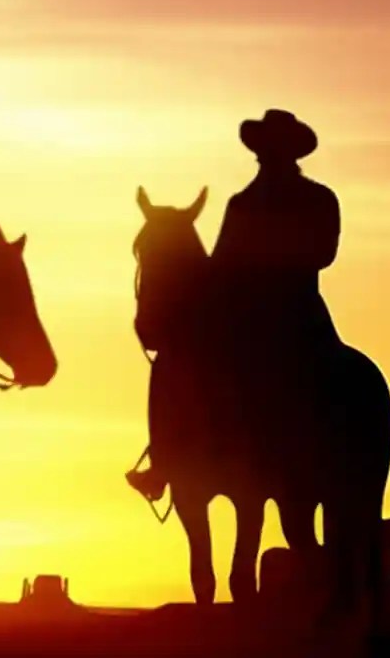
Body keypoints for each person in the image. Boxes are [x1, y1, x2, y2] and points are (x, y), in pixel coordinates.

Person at [127, 109, 342, 502]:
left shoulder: (319, 199)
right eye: (264, 150)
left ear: (289, 153)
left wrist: (271, 258)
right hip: (245, 316)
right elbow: (221, 264)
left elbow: (324, 253)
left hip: (298, 311)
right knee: (173, 365)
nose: (267, 157)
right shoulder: (241, 204)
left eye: (274, 149)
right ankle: (165, 460)